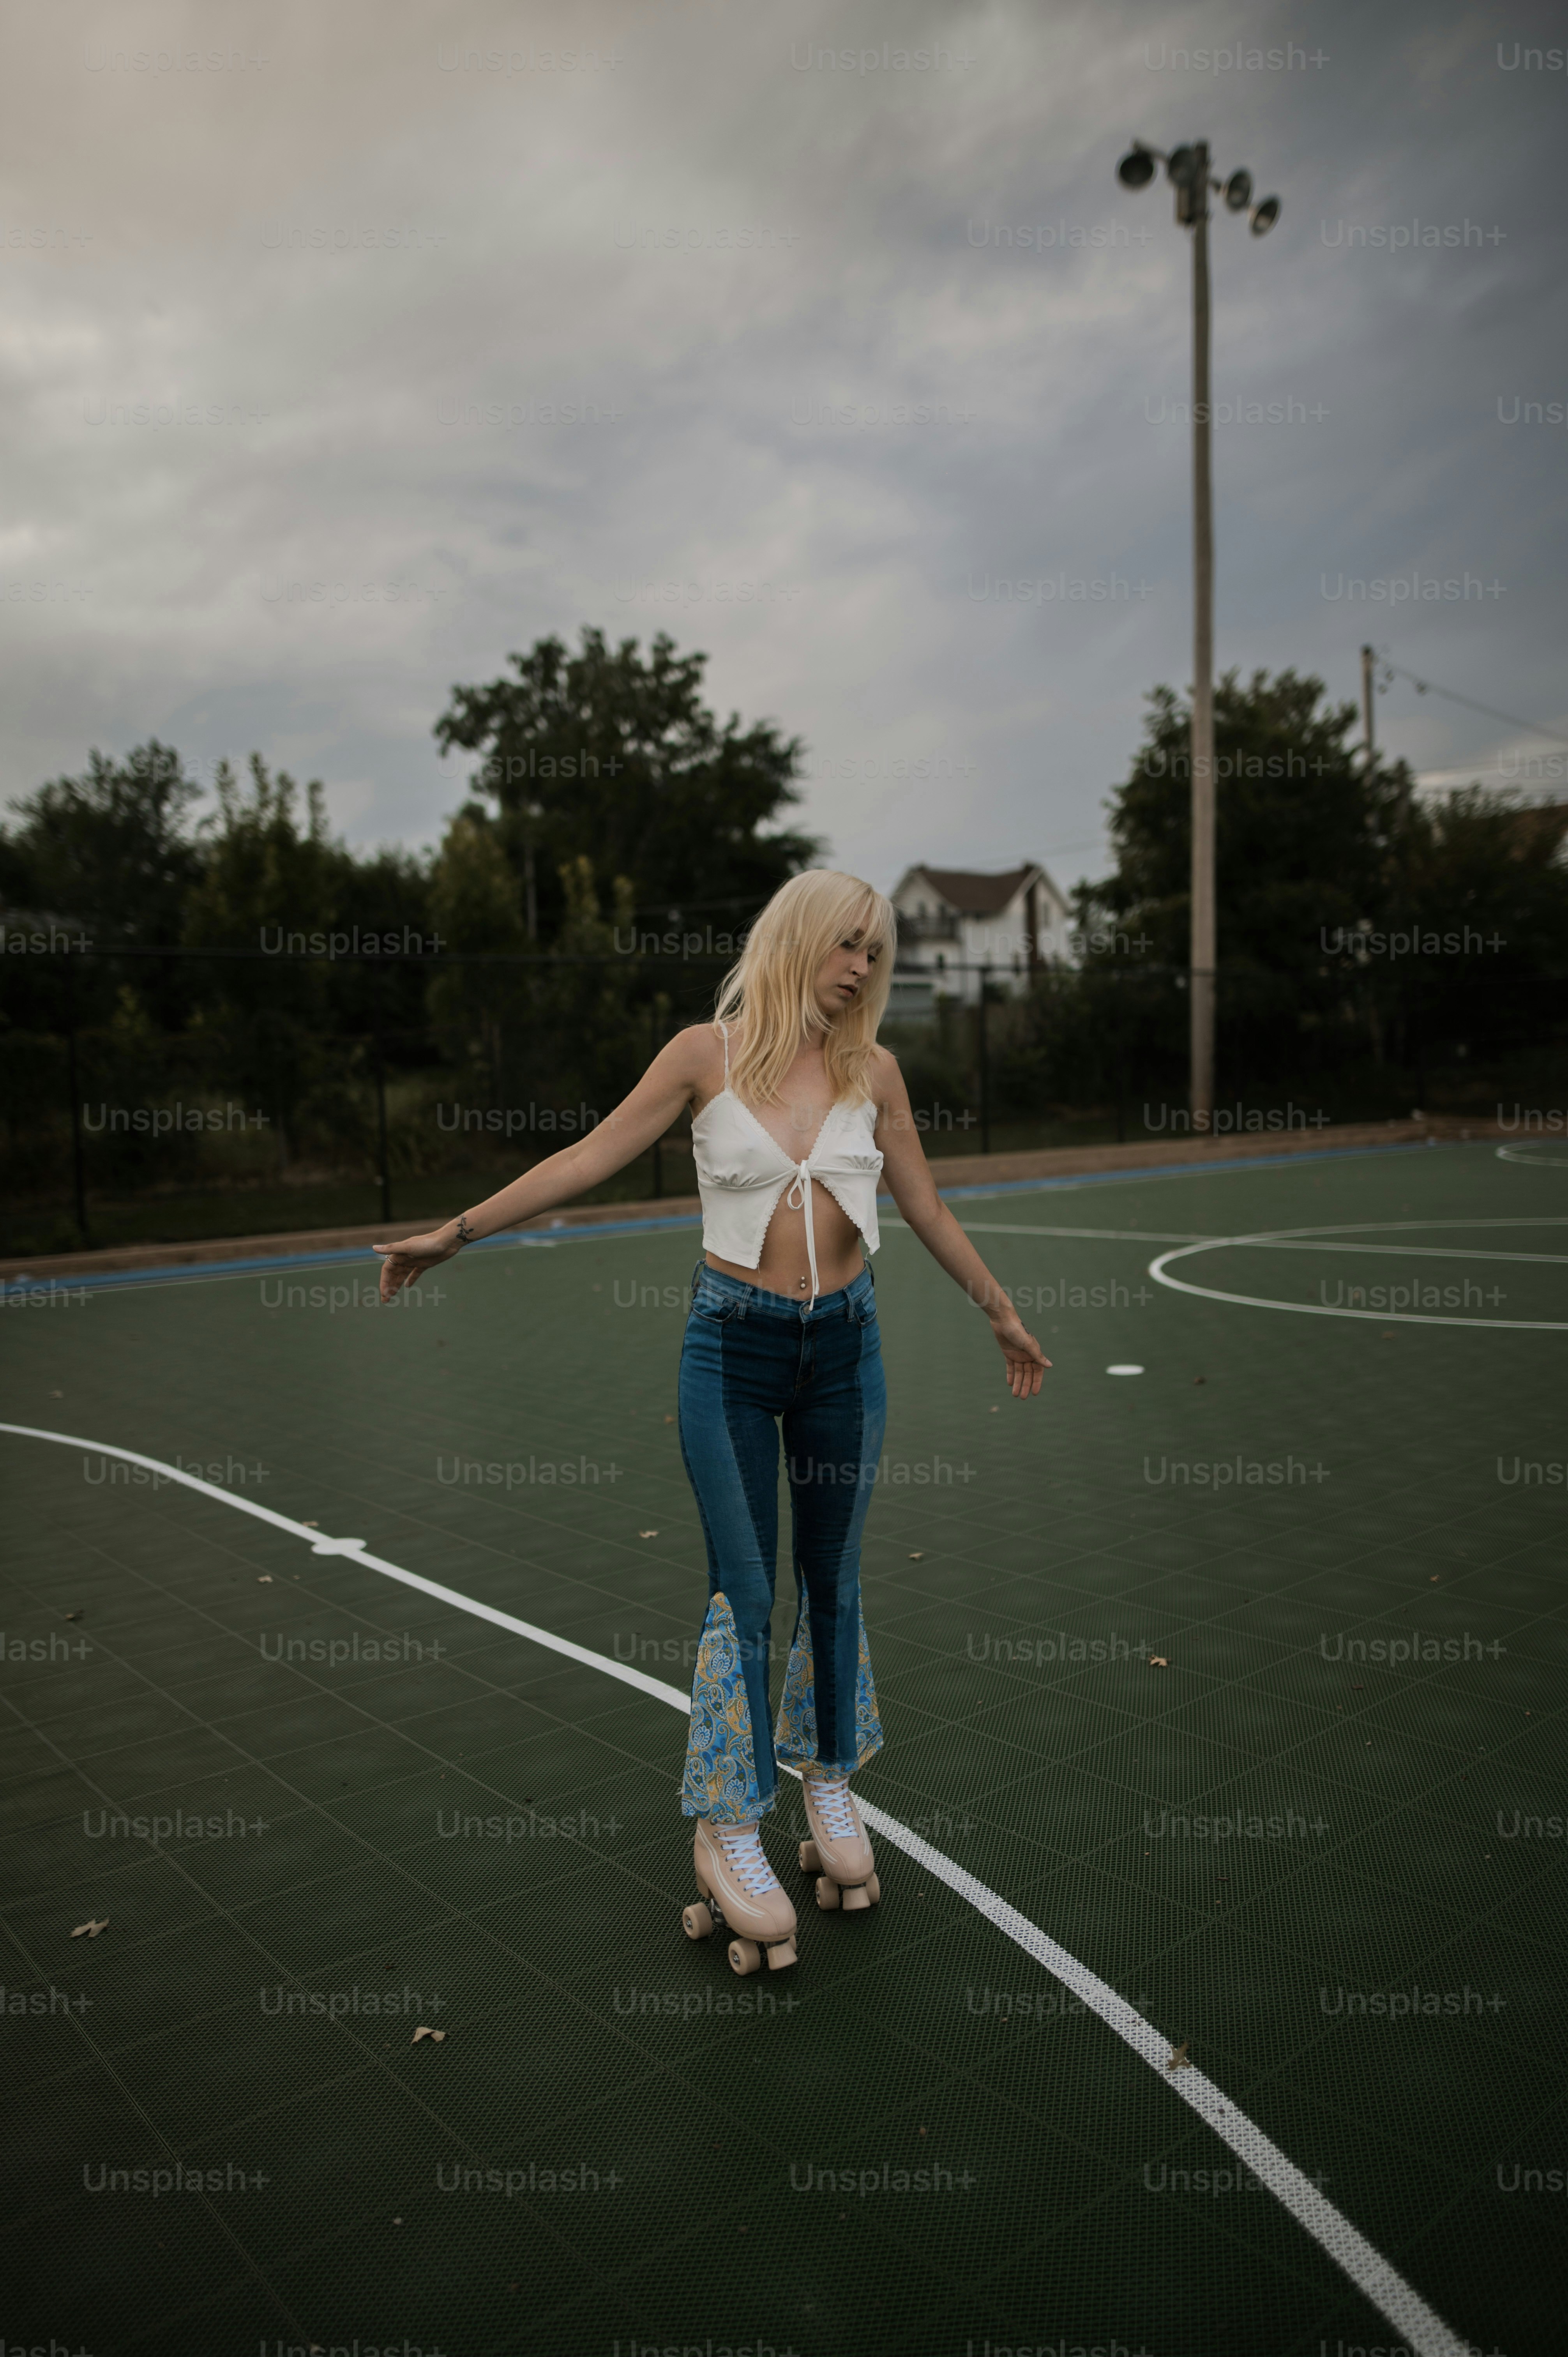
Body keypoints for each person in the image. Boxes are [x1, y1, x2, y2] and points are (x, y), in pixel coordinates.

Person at [376, 868, 1047, 1973]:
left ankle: (828, 1786)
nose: (863, 968)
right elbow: (591, 1156)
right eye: (848, 946)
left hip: (847, 1350)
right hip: (729, 1351)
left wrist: (1002, 1312)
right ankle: (726, 1823)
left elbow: (920, 1200)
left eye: (876, 953)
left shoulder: (873, 1071)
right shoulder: (705, 1056)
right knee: (743, 1590)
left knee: (832, 1583)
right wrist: (458, 1231)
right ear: (797, 940)